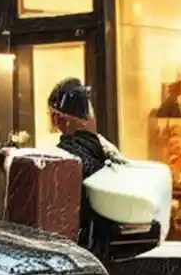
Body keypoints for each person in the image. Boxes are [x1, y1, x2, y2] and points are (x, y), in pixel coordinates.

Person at [46, 78, 125, 255]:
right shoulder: (108, 157)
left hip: (76, 258)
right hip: (104, 257)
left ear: (58, 119)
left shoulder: (65, 162)